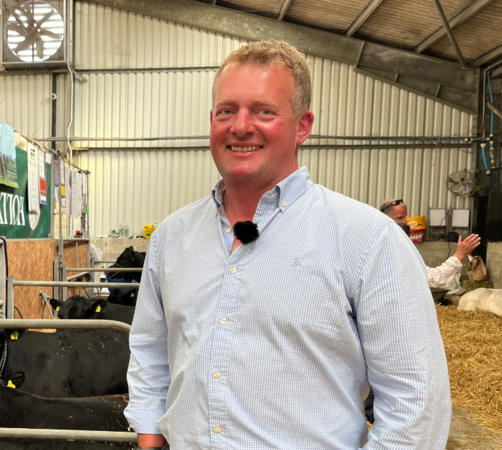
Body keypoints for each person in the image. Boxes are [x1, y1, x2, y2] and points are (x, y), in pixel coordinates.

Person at [124, 40, 451, 449]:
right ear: (212, 120)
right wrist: (150, 437)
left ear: (302, 125)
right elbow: (151, 354)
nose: (241, 126)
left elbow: (416, 404)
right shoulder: (171, 238)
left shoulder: (368, 239)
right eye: (227, 111)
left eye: (264, 111)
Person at [381, 203, 481, 293]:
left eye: (405, 217)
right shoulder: (396, 255)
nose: (405, 221)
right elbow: (436, 278)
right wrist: (460, 254)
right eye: (400, 218)